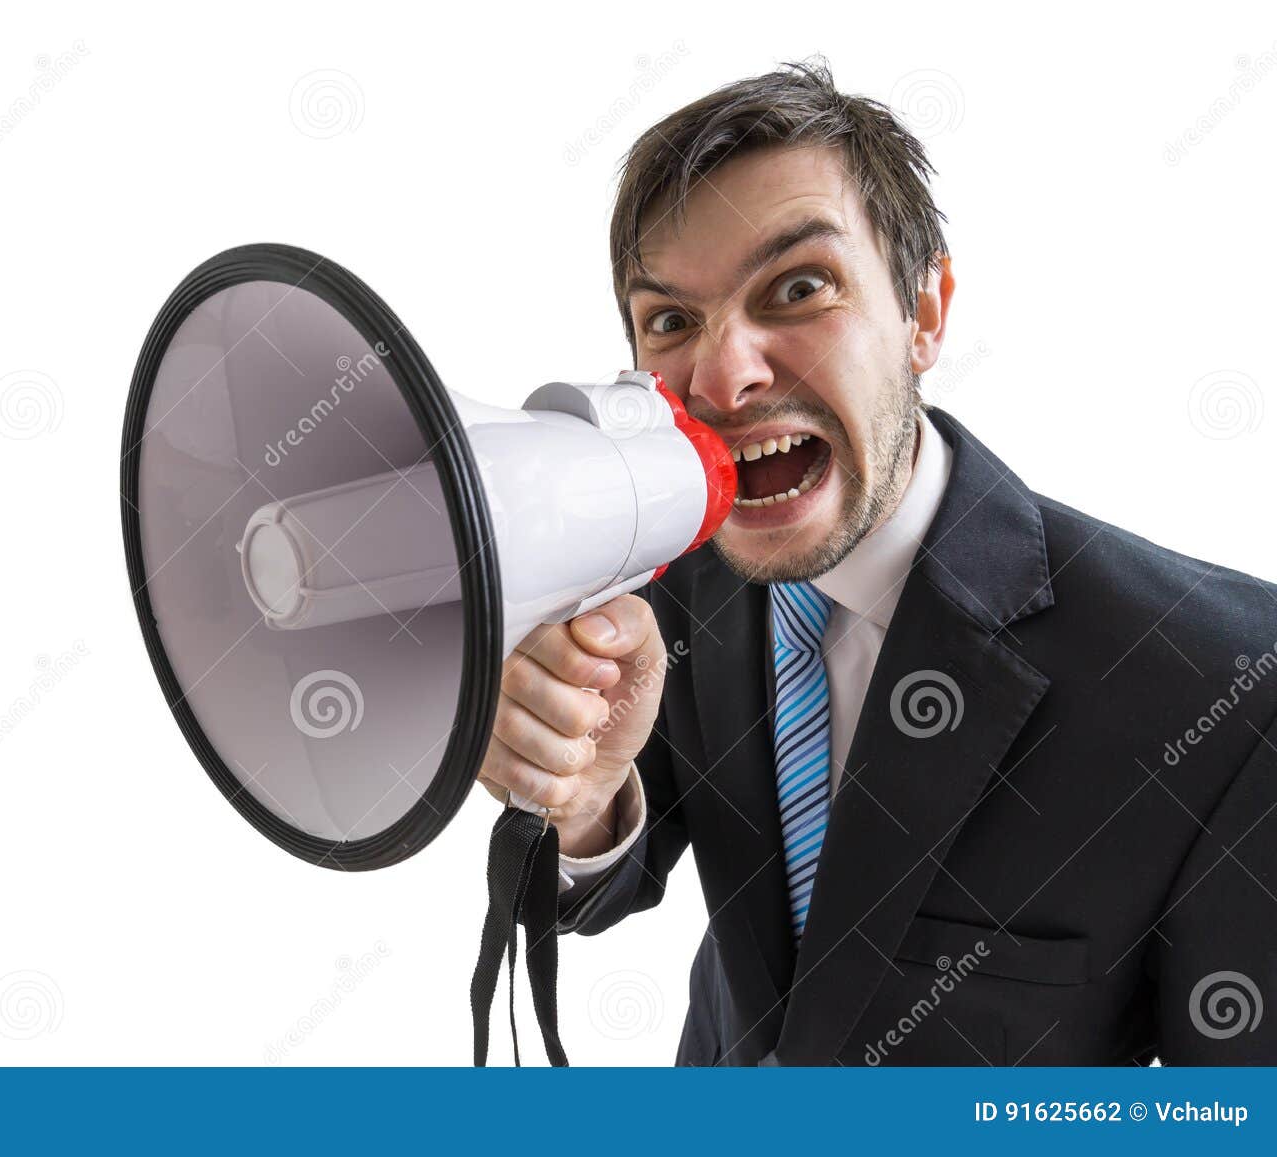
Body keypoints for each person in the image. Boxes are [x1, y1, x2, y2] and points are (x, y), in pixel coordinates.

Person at [477, 60, 1277, 1065]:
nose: (723, 375)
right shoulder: (664, 573)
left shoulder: (1228, 683)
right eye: (672, 321)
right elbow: (616, 876)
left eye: (798, 287)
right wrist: (586, 801)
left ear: (924, 311)